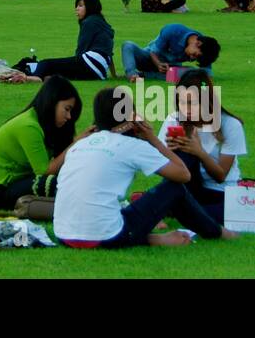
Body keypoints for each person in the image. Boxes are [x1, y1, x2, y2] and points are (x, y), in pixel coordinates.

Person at [53, 86, 237, 248]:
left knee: (114, 211)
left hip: (63, 233)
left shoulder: (80, 145)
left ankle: (155, 239)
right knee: (174, 189)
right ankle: (217, 232)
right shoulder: (132, 146)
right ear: (130, 116)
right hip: (106, 236)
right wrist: (152, 138)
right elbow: (182, 175)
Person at [0, 76, 82, 210]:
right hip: (1, 191)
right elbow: (44, 171)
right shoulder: (28, 126)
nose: (69, 117)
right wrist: (75, 145)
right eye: (67, 109)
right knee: (57, 183)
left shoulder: (46, 124)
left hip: (22, 180)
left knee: (73, 177)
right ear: (52, 103)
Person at [160, 70, 247, 224]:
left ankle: (171, 207)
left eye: (192, 103)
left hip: (221, 191)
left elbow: (220, 177)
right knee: (184, 155)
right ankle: (173, 207)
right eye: (181, 102)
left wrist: (200, 152)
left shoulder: (230, 125)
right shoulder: (174, 119)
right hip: (189, 188)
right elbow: (162, 169)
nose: (186, 109)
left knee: (223, 214)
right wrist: (169, 152)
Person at [12, 0, 116, 81]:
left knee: (46, 63)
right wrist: (113, 74)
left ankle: (35, 78)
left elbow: (81, 48)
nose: (76, 9)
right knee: (56, 72)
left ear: (90, 7)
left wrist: (75, 62)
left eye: (80, 6)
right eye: (76, 6)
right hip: (99, 71)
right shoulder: (102, 23)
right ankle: (43, 77)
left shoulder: (89, 22)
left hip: (90, 62)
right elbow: (109, 53)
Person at [120, 23, 220, 81]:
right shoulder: (173, 30)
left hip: (170, 68)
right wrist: (159, 64)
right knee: (128, 45)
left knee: (193, 72)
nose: (192, 58)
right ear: (198, 43)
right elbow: (153, 52)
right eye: (194, 55)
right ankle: (132, 75)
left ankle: (144, 75)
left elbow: (207, 74)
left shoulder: (207, 47)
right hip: (149, 58)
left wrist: (204, 78)